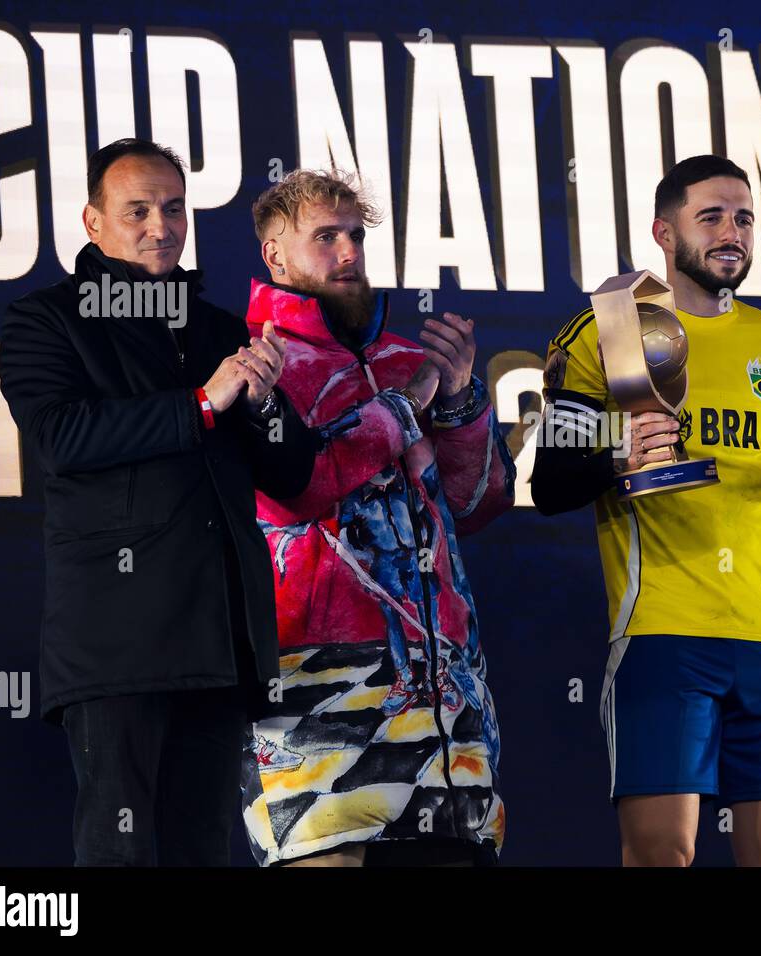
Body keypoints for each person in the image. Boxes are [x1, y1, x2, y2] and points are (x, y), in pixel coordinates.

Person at [532, 154, 761, 866]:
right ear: (664, 234)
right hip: (663, 633)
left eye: (743, 217)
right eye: (711, 217)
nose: (731, 231)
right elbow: (551, 482)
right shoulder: (606, 334)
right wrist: (621, 456)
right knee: (659, 857)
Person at [0, 138, 316, 865]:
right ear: (93, 222)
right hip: (118, 649)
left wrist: (264, 403)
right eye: (136, 210)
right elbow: (61, 437)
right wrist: (203, 403)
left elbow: (291, 474)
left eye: (173, 208)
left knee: (202, 852)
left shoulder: (220, 329)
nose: (160, 226)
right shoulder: (46, 319)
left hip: (219, 647)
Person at [238, 168, 515, 867]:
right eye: (325, 236)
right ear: (275, 253)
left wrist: (455, 402)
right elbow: (299, 489)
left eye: (356, 235)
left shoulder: (405, 358)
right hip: (309, 684)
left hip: (444, 686)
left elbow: (478, 504)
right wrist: (404, 404)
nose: (348, 251)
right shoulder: (255, 359)